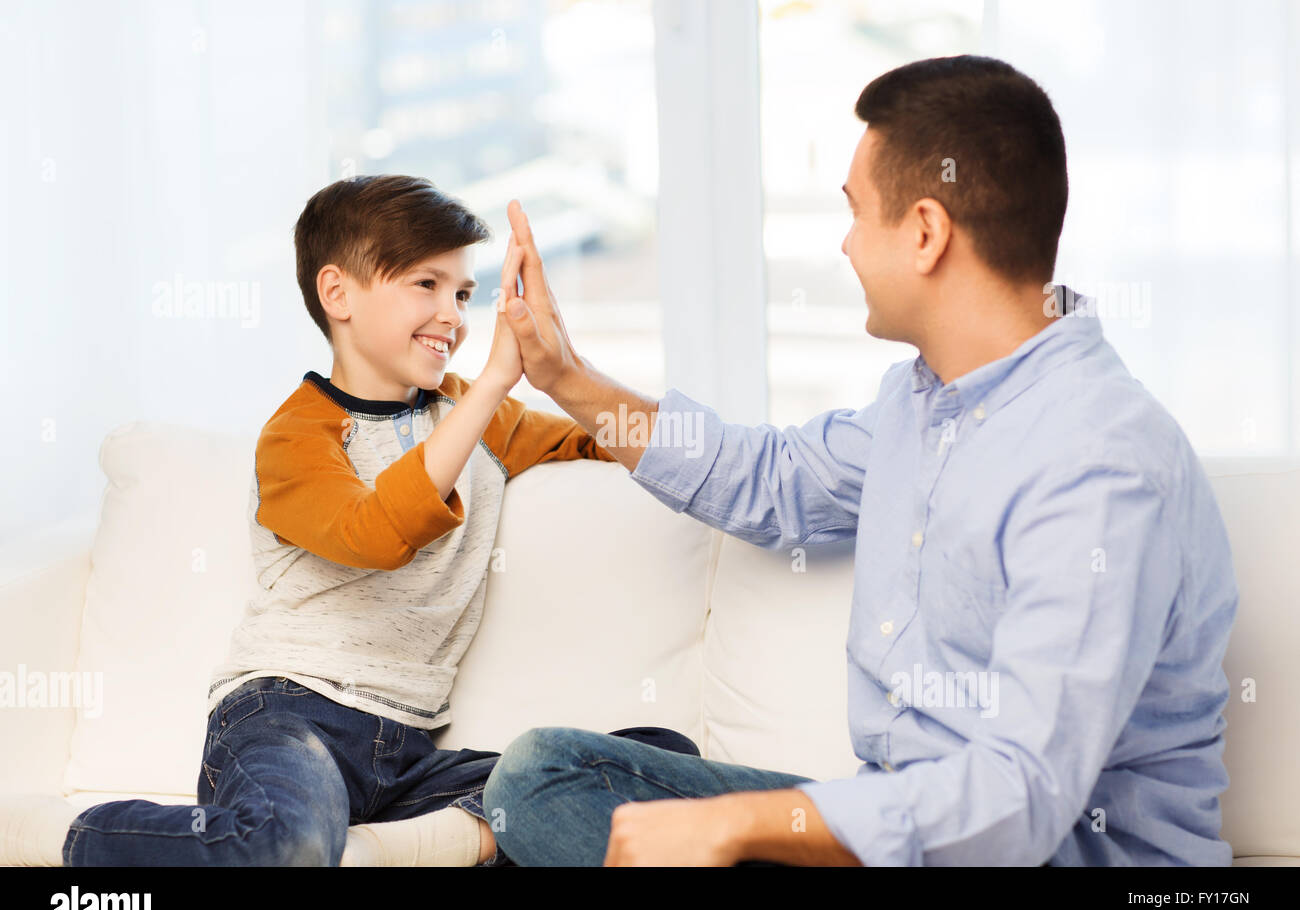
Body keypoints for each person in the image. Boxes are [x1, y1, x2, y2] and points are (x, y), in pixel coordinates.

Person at [481, 55, 1238, 866]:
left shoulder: (1100, 466)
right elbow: (767, 479)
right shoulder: (919, 406)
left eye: (855, 214)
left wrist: (738, 826)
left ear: (924, 232)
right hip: (903, 831)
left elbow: (1019, 802)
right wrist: (567, 378)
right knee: (544, 779)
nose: (844, 246)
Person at [1, 174, 698, 867]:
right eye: (426, 285)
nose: (454, 315)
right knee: (285, 847)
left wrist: (560, 366)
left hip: (410, 749)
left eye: (462, 293)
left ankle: (409, 839)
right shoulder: (299, 436)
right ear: (338, 295)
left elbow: (616, 438)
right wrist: (490, 386)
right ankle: (54, 837)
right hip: (288, 716)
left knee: (654, 772)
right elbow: (373, 534)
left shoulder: (477, 419)